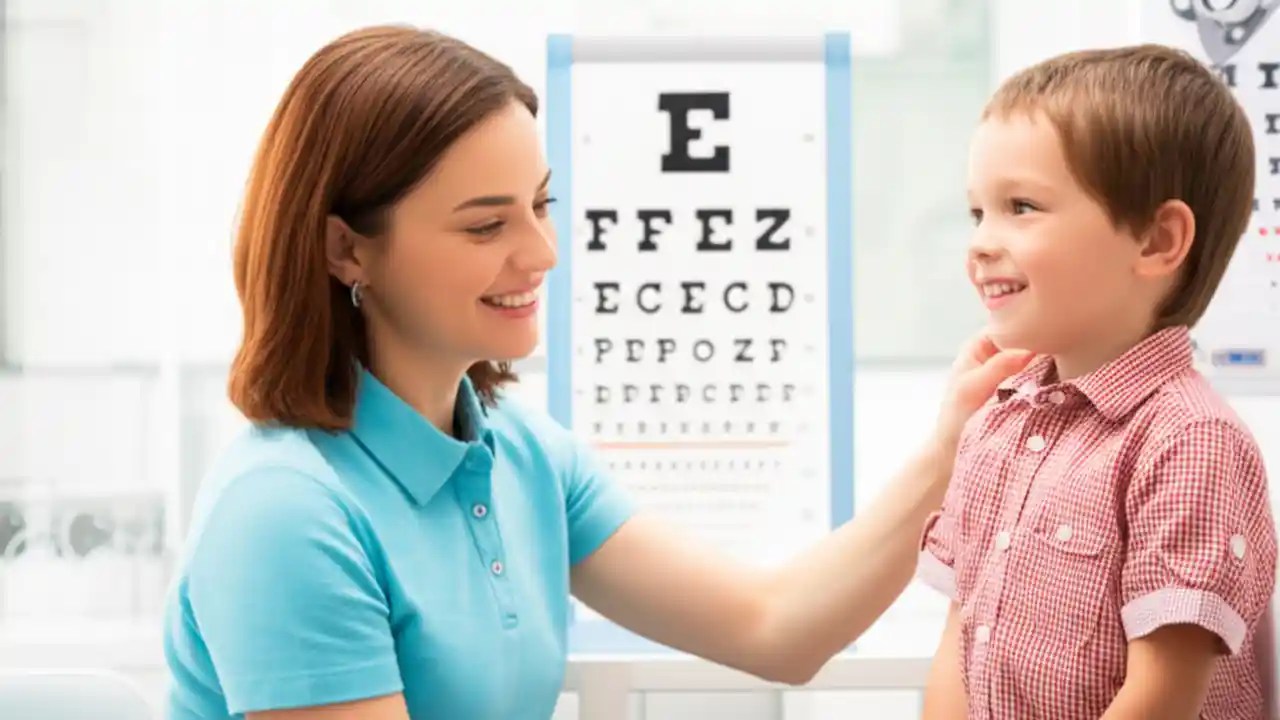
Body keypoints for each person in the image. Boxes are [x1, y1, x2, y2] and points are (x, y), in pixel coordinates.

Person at [160, 25, 1033, 720]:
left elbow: (776, 628)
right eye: (485, 225)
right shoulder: (286, 511)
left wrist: (952, 445)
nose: (542, 251)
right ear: (347, 249)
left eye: (541, 205)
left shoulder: (522, 458)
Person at [918, 44, 1278, 719]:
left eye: (1021, 206)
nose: (981, 242)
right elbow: (957, 645)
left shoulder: (1190, 444)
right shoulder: (993, 426)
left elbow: (1161, 697)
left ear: (1156, 241)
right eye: (977, 213)